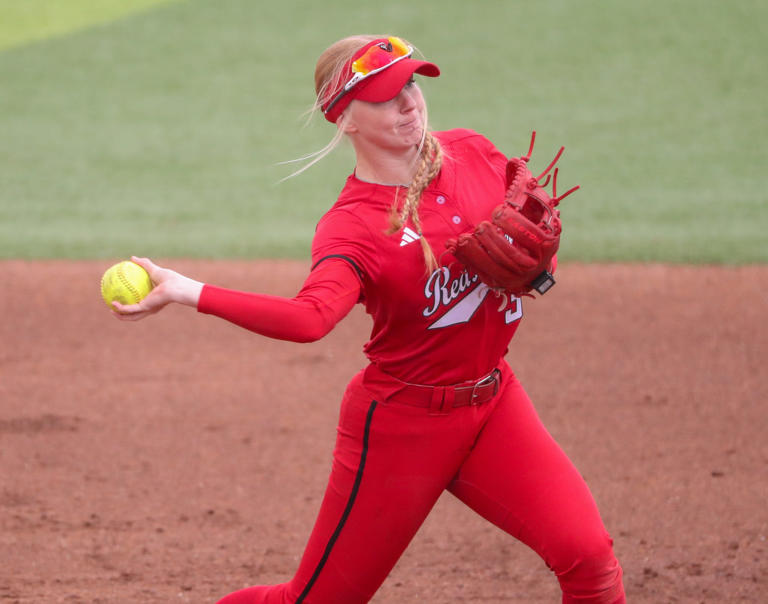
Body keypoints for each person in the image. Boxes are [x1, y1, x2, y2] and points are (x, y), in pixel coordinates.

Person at [113, 35, 626, 603]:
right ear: (346, 118)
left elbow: (538, 249)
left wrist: (541, 261)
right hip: (401, 428)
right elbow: (310, 319)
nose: (409, 102)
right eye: (385, 96)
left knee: (591, 560)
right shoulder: (351, 227)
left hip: (494, 405)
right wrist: (189, 290)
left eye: (412, 83)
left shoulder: (474, 152)